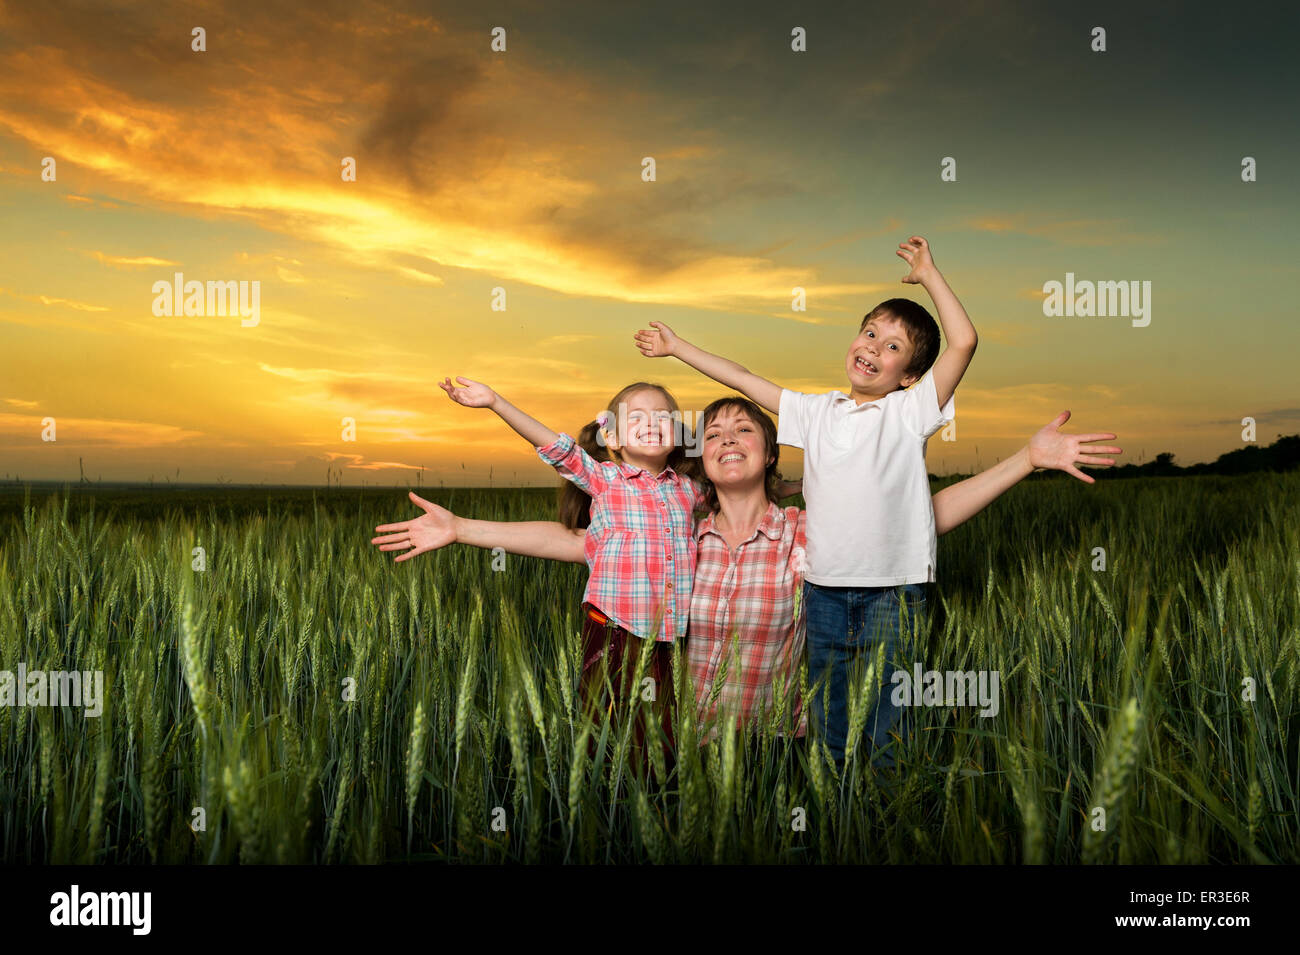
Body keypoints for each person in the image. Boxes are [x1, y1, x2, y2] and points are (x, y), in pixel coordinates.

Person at [373, 401, 1120, 755]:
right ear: (703, 456)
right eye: (717, 431)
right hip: (681, 751)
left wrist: (1026, 460)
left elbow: (924, 517)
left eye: (747, 432)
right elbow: (572, 543)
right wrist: (461, 527)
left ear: (771, 456)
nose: (729, 439)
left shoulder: (804, 533)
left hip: (776, 754)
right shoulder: (671, 535)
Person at [633, 235, 978, 765]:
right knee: (829, 726)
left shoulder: (911, 413)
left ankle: (879, 818)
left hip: (894, 594)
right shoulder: (816, 413)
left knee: (888, 730)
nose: (872, 348)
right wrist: (680, 348)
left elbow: (963, 343)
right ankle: (834, 814)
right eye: (869, 333)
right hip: (822, 593)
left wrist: (929, 275)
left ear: (909, 376)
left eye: (892, 347)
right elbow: (744, 379)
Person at [431, 377, 706, 760]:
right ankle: (602, 803)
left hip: (669, 639)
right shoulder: (607, 480)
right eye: (637, 417)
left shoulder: (689, 490)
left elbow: (742, 494)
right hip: (613, 630)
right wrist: (496, 402)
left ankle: (653, 809)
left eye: (663, 417)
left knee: (660, 737)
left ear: (678, 434)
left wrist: (795, 486)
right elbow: (556, 447)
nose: (652, 423)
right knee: (604, 732)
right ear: (612, 436)